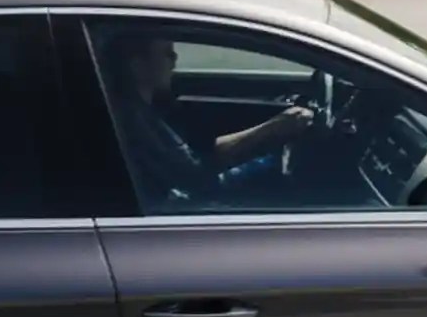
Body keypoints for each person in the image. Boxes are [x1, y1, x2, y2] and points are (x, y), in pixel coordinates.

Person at [101, 28, 315, 211]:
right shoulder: (132, 120)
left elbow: (198, 158)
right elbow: (194, 174)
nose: (174, 59)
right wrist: (272, 129)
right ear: (137, 65)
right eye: (166, 53)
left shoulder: (144, 109)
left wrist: (273, 130)